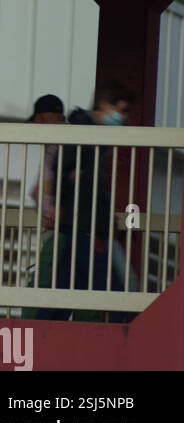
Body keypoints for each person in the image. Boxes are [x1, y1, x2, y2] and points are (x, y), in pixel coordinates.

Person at [37, 82, 136, 322]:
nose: (121, 118)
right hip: (86, 222)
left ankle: (41, 331)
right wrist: (61, 204)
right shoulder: (84, 132)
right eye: (120, 111)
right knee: (112, 288)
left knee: (67, 285)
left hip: (84, 223)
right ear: (104, 105)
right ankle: (125, 338)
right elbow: (64, 171)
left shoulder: (93, 135)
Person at [21, 95, 67, 320]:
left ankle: (30, 337)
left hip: (64, 230)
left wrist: (51, 211)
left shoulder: (60, 146)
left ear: (40, 118)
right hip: (70, 230)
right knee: (62, 289)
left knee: (42, 288)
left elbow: (39, 191)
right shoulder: (67, 143)